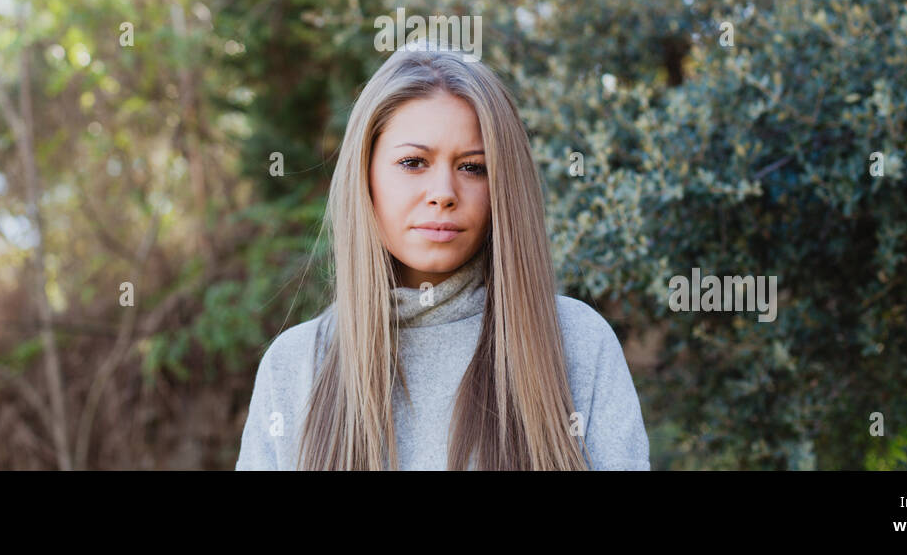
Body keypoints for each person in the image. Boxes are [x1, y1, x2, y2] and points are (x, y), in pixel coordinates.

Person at [235, 44, 650, 470]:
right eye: (413, 162)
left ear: (502, 187)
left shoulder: (576, 343)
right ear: (365, 176)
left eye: (472, 167)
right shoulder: (295, 365)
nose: (443, 194)